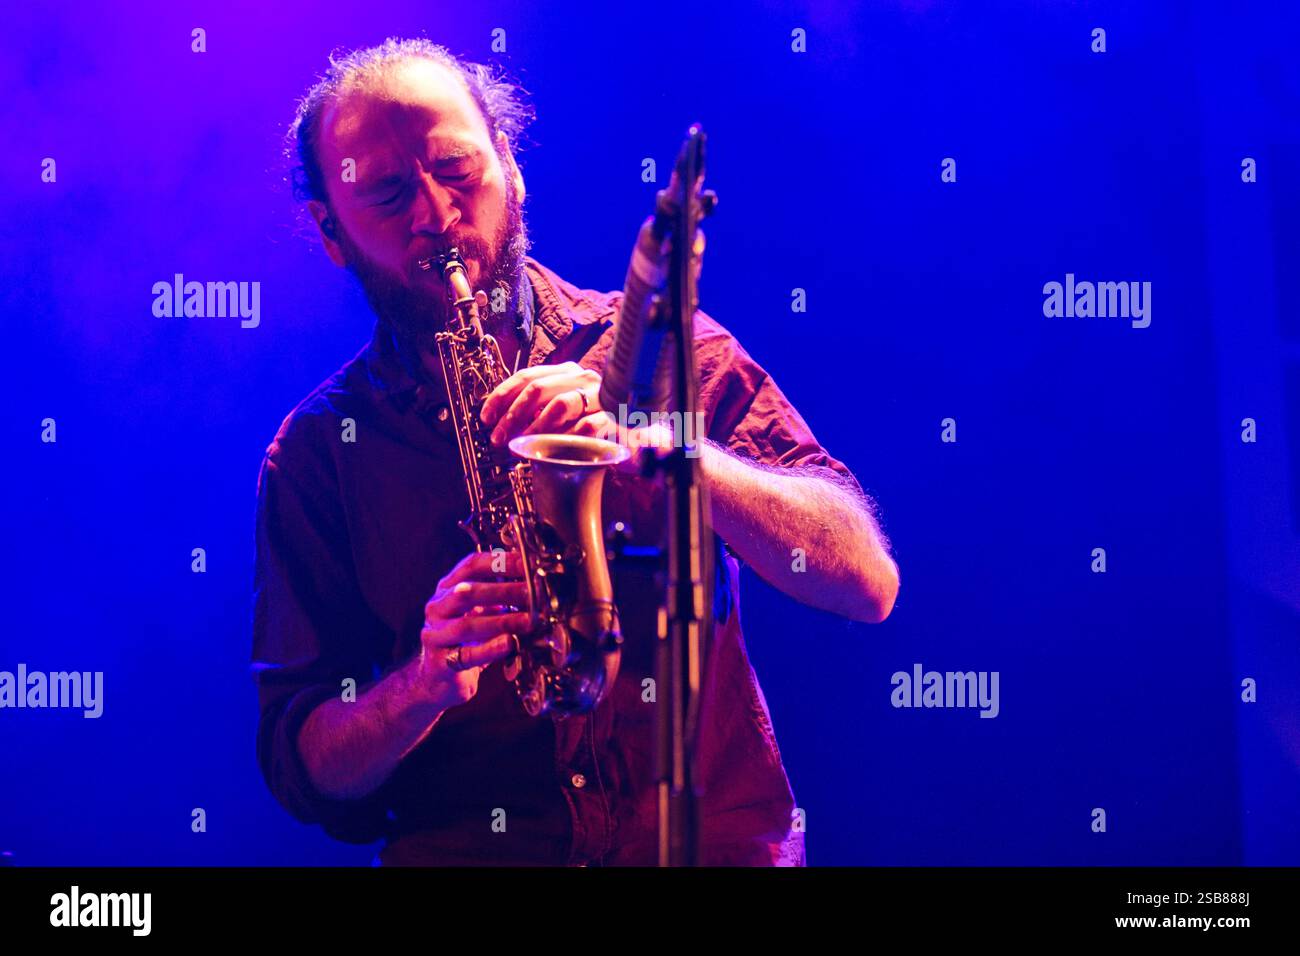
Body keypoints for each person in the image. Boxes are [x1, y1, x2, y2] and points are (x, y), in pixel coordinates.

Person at [252, 37, 899, 866]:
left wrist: (664, 450)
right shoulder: (318, 454)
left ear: (510, 168)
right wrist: (420, 686)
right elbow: (303, 764)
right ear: (331, 232)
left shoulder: (673, 355)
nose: (435, 216)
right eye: (385, 193)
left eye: (457, 171)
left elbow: (865, 582)